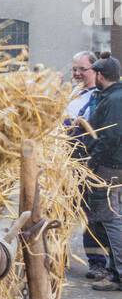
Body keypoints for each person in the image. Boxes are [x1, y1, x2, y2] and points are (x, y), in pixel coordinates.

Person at [64, 51, 106, 278]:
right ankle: (58, 257)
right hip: (66, 162)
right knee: (63, 211)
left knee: (92, 215)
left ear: (95, 71)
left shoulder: (99, 97)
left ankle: (98, 262)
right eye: (74, 69)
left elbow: (97, 131)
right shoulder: (73, 92)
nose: (78, 73)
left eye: (82, 69)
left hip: (87, 161)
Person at [85, 55, 122, 293]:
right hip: (113, 165)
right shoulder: (114, 96)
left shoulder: (115, 99)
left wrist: (93, 160)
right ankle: (113, 270)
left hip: (108, 167)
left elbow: (109, 136)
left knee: (110, 219)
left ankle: (118, 273)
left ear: (100, 75)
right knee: (110, 218)